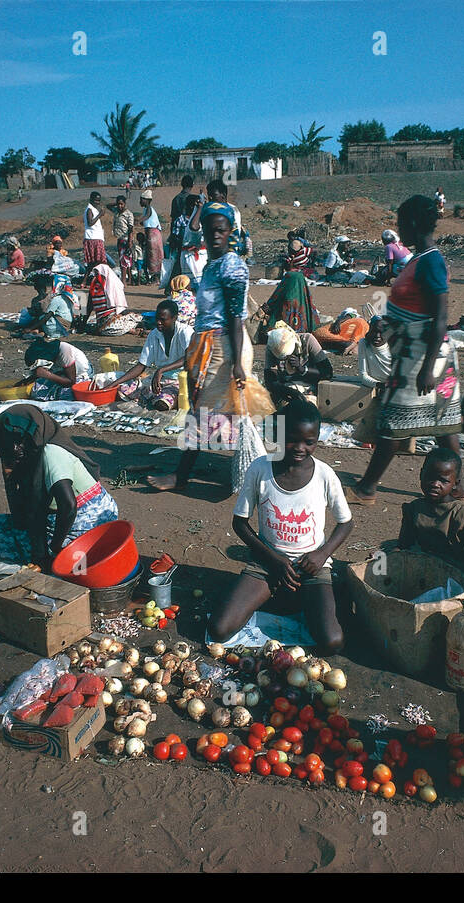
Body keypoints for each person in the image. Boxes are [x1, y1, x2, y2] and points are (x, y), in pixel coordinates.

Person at [345, 196, 463, 507]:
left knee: (396, 421)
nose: (397, 229)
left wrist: (426, 367)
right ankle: (458, 487)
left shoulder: (432, 262)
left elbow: (440, 318)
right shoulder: (418, 259)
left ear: (411, 223)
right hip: (415, 353)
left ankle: (367, 487)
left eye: (399, 222)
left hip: (425, 356)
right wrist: (386, 322)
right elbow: (412, 305)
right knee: (443, 423)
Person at [209, 399, 353, 653]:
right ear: (280, 434)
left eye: (309, 442)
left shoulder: (324, 475)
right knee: (219, 629)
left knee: (333, 642)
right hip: (267, 561)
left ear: (318, 439)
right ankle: (279, 591)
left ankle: (299, 595)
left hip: (310, 565)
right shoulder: (260, 469)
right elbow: (240, 523)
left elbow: (345, 523)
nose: (300, 448)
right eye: (292, 439)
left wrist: (321, 554)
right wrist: (274, 560)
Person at [147, 201, 266, 492]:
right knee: (223, 412)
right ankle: (257, 468)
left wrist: (236, 362)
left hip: (225, 348)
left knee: (203, 412)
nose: (215, 235)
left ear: (229, 233)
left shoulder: (231, 266)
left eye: (221, 231)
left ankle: (182, 476)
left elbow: (236, 319)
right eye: (211, 230)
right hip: (210, 346)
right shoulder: (212, 265)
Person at [0, 405, 120, 568]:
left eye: (19, 441)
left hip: (87, 520)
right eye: (10, 444)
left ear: (33, 433)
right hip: (63, 518)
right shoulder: (28, 456)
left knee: (2, 541)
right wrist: (9, 480)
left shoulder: (51, 452)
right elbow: (22, 513)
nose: (15, 449)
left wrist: (55, 545)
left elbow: (68, 506)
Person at [396, 447, 464, 597]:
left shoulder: (461, 514)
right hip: (423, 566)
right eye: (430, 477)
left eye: (443, 480)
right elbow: (404, 544)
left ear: (455, 483)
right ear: (421, 474)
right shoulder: (414, 508)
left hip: (455, 573)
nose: (435, 484)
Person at [115, 300, 192, 410]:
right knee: (122, 391)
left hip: (182, 380)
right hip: (161, 380)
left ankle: (167, 398)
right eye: (157, 319)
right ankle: (158, 396)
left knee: (162, 404)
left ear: (174, 318)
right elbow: (141, 365)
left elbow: (190, 356)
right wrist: (114, 383)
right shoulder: (154, 334)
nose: (159, 322)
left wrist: (161, 370)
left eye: (163, 320)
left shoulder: (185, 332)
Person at [264, 323, 332, 407]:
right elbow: (270, 380)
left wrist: (302, 369)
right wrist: (290, 392)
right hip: (286, 388)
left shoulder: (307, 340)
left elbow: (327, 373)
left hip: (309, 386)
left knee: (307, 407)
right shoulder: (272, 346)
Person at [252, 270, 318, 342]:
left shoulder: (281, 297)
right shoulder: (307, 303)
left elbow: (271, 306)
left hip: (281, 336)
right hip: (303, 336)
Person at [20, 338, 93, 401]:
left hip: (79, 374)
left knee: (67, 394)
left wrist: (48, 375)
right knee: (36, 389)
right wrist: (26, 381)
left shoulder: (64, 351)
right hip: (62, 373)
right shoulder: (48, 353)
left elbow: (71, 382)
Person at [83, 263, 138, 336]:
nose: (97, 276)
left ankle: (128, 328)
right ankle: (128, 329)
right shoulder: (94, 286)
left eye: (99, 274)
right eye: (95, 274)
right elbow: (89, 306)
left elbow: (120, 305)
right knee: (106, 330)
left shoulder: (114, 286)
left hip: (113, 317)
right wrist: (83, 322)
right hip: (102, 320)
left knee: (133, 318)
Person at [17, 273, 74, 338]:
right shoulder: (68, 297)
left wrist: (30, 328)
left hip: (57, 327)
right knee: (39, 319)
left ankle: (34, 331)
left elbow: (47, 316)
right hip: (63, 326)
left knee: (40, 318)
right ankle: (38, 332)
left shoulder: (55, 299)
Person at [175, 193, 207, 283]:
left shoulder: (203, 219)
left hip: (197, 256)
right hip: (189, 255)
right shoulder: (184, 220)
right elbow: (192, 227)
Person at [357, 315, 393, 385]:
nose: (377, 336)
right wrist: (378, 385)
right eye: (374, 331)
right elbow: (363, 375)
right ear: (369, 331)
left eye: (382, 332)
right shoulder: (364, 343)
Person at [139, 189, 163, 279]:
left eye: (142, 199)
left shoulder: (149, 208)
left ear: (147, 200)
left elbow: (147, 216)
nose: (140, 201)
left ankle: (156, 277)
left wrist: (139, 220)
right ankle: (154, 276)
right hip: (151, 234)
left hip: (153, 235)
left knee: (154, 255)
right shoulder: (146, 209)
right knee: (151, 255)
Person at [82, 191, 107, 269]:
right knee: (95, 261)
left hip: (96, 237)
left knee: (96, 262)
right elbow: (90, 223)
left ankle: (95, 279)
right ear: (91, 200)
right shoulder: (89, 209)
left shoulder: (93, 209)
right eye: (95, 200)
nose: (97, 202)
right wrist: (99, 215)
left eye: (99, 200)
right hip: (93, 238)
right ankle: (87, 280)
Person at [111, 195, 135, 268]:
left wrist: (130, 242)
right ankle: (128, 278)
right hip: (120, 239)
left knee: (126, 261)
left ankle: (126, 279)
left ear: (125, 204)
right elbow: (108, 206)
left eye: (121, 204)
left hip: (126, 239)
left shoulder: (129, 214)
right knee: (123, 260)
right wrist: (116, 203)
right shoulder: (116, 212)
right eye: (118, 204)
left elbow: (131, 229)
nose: (119, 206)